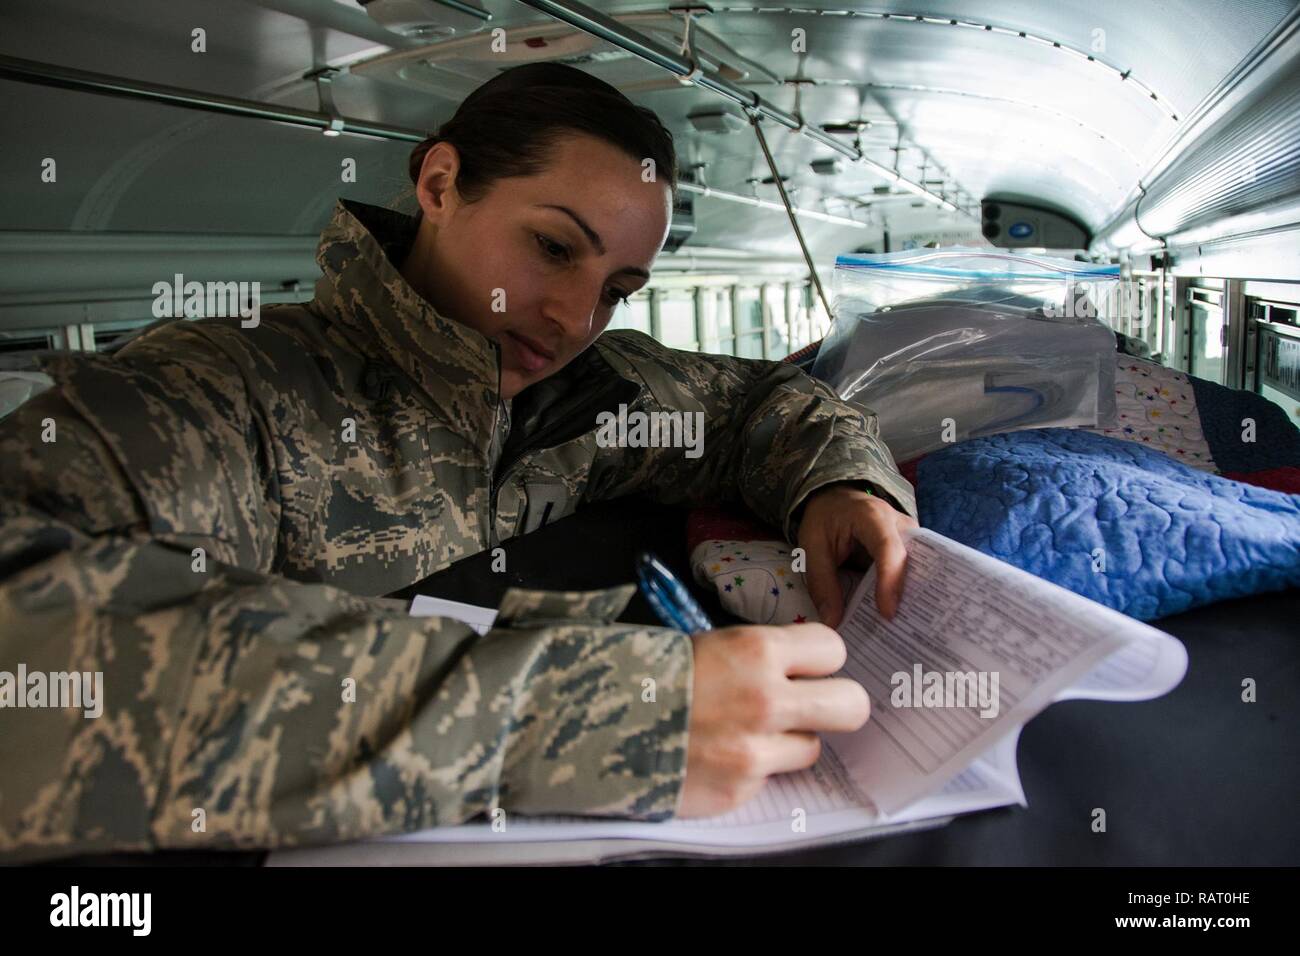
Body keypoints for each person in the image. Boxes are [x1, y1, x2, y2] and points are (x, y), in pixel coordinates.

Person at [0, 63, 917, 862]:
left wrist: (841, 478)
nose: (573, 320)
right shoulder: (222, 393)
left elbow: (760, 406)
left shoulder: (598, 393)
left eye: (618, 289)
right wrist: (592, 714)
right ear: (440, 182)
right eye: (553, 248)